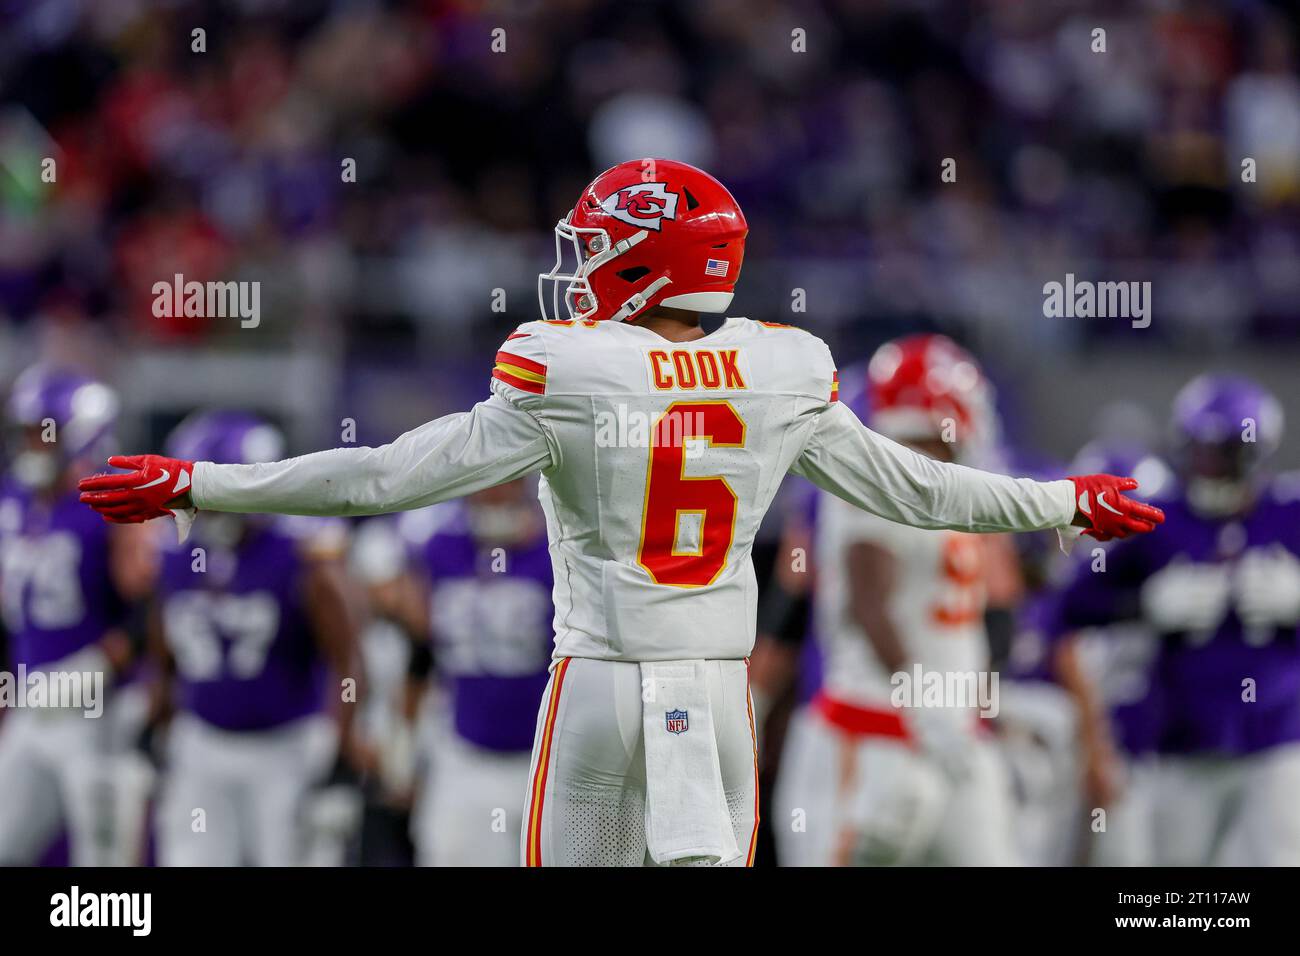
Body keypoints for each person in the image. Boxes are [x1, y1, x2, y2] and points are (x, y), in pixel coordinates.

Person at [79, 159, 1164, 867]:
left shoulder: (568, 366)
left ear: (654, 258)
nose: (581, 265)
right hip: (719, 694)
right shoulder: (779, 366)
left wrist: (197, 484)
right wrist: (1065, 500)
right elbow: (923, 492)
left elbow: (385, 478)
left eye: (598, 244)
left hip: (600, 686)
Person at [774, 335, 1021, 865]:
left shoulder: (956, 483)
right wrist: (927, 703)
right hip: (875, 729)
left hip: (953, 735)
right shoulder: (877, 475)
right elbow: (869, 605)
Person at [1051, 375, 1300, 865]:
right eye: (1199, 450)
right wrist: (1144, 606)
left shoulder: (1290, 513)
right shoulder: (1159, 517)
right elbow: (1069, 607)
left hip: (1280, 737)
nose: (1207, 465)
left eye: (1221, 452)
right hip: (1183, 741)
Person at [147, 411, 362, 866]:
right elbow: (163, 644)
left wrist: (340, 747)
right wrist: (154, 718)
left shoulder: (302, 554)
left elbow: (348, 659)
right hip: (202, 740)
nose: (207, 502)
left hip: (285, 747)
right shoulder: (175, 551)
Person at [0, 367, 155, 865]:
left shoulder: (113, 499)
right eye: (26, 431)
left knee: (104, 863)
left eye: (43, 431)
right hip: (31, 704)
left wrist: (101, 665)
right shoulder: (12, 500)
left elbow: (153, 606)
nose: (31, 444)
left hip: (99, 710)